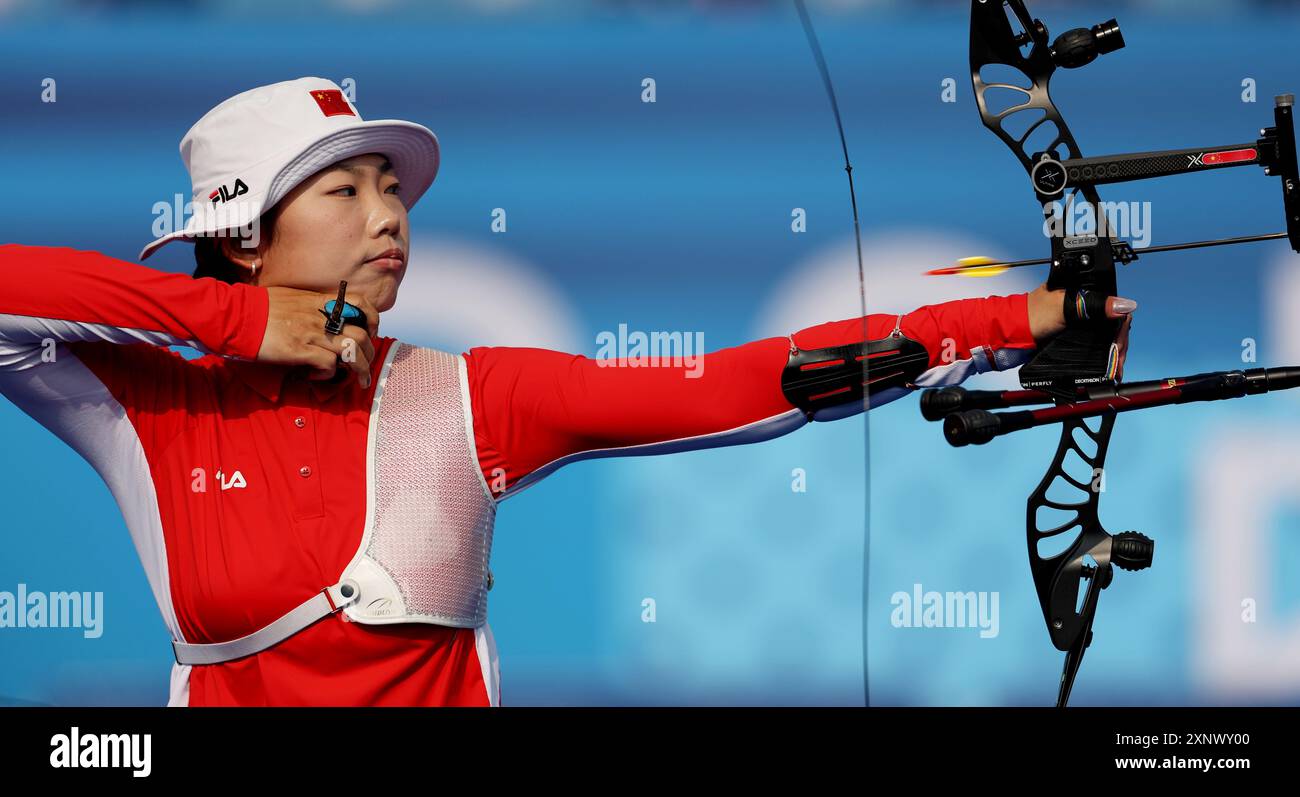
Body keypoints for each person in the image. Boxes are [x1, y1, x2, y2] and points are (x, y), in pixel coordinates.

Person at [0, 77, 1133, 707]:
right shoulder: (139, 402)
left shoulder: (468, 396)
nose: (390, 215)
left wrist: (1009, 323)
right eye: (343, 190)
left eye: (392, 190)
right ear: (242, 236)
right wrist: (238, 323)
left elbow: (740, 382)